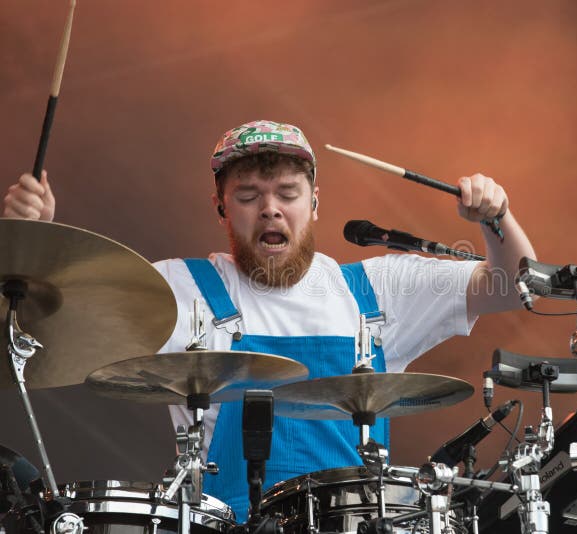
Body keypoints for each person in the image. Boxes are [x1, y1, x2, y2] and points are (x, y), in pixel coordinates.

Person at [3, 119, 536, 519]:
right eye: (248, 196)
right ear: (221, 206)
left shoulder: (378, 290)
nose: (271, 209)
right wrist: (30, 246)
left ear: (315, 202)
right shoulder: (176, 289)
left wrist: (496, 217)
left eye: (287, 193)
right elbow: (39, 328)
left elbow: (513, 285)